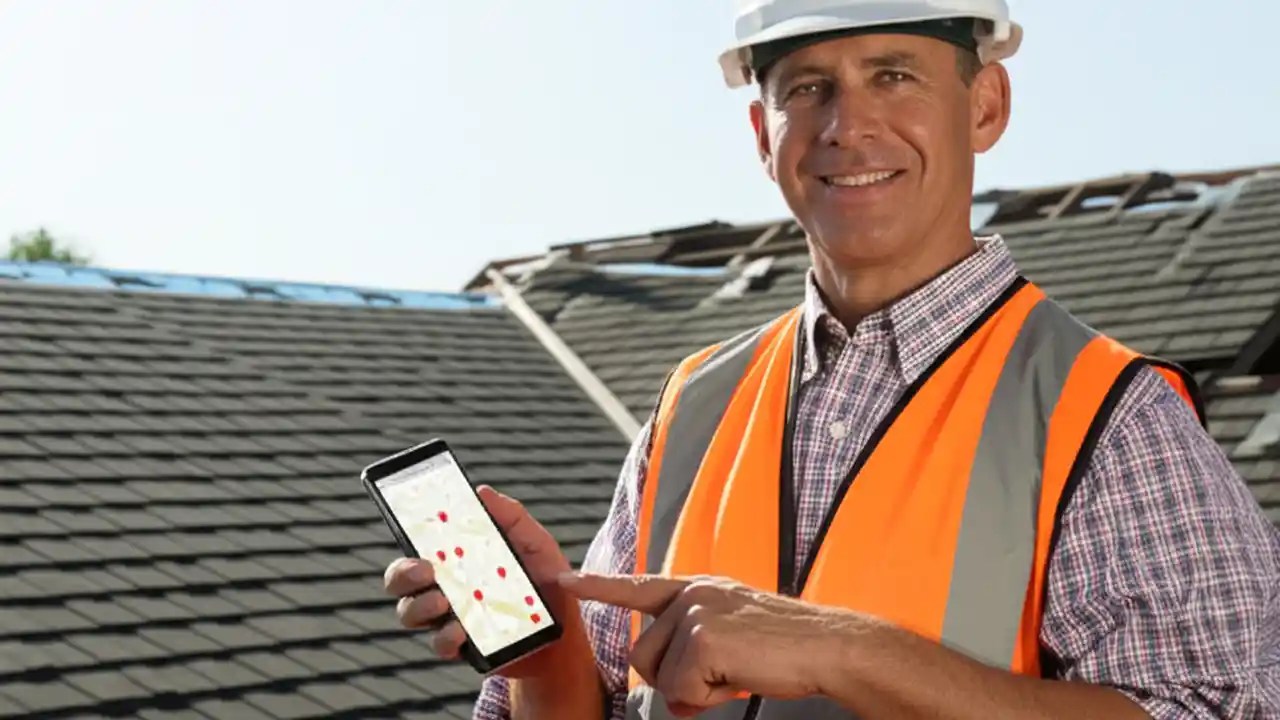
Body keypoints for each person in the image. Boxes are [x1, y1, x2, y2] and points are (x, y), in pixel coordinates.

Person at [384, 1, 1280, 718]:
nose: (849, 125)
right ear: (760, 133)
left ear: (985, 106)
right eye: (808, 88)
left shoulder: (1112, 417)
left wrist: (846, 652)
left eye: (894, 75)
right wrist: (551, 657)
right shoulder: (692, 406)